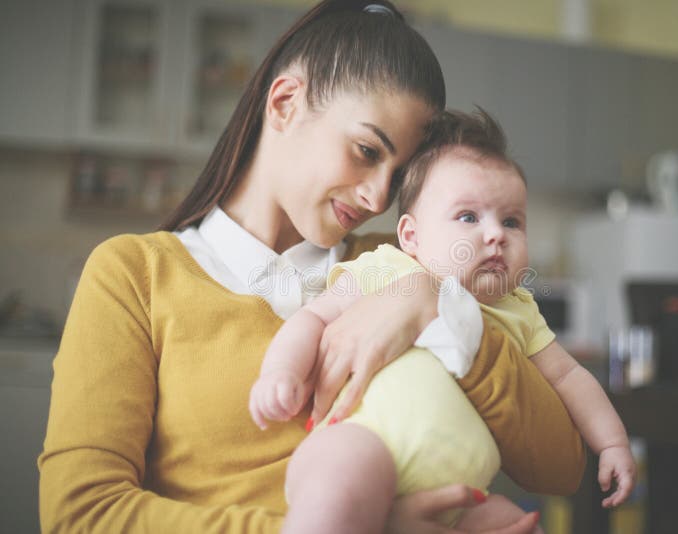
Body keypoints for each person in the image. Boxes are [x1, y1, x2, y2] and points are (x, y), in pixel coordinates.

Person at [38, 2, 584, 532]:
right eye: (368, 150)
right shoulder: (135, 275)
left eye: (396, 178)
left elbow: (560, 466)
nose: (376, 199)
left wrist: (433, 303)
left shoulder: (403, 263)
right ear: (285, 102)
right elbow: (81, 514)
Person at [250, 109, 636, 533]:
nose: (496, 235)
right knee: (340, 491)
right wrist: (280, 371)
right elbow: (313, 319)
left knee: (521, 525)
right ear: (411, 236)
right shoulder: (388, 269)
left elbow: (569, 378)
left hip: (459, 498)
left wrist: (613, 442)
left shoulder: (518, 308)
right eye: (469, 217)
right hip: (361, 446)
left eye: (512, 221)